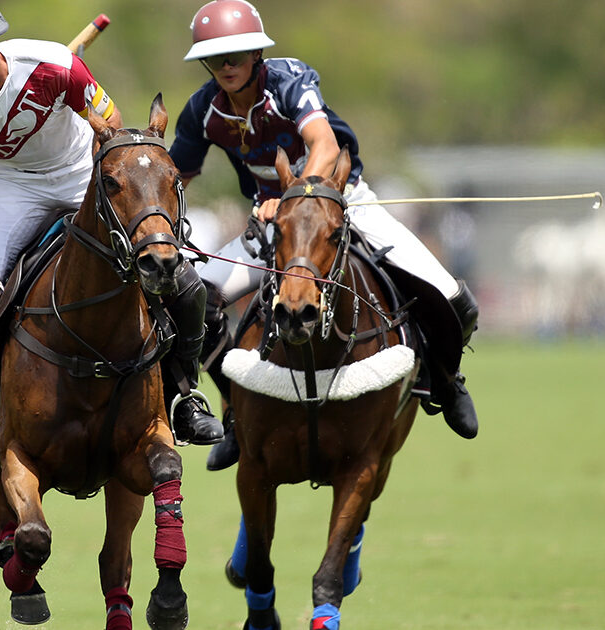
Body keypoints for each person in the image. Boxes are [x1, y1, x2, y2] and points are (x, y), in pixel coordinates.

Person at [168, 0, 480, 471]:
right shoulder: (203, 110)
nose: (226, 67)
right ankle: (234, 413)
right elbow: (175, 179)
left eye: (236, 56)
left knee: (455, 299)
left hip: (343, 202)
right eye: (215, 59)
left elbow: (325, 144)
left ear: (257, 55)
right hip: (273, 224)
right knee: (195, 299)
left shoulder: (289, 81)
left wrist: (293, 198)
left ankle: (445, 378)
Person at [0, 0, 222, 468]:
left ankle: (184, 397)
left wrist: (114, 194)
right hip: (10, 185)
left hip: (83, 173)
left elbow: (112, 128)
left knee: (183, 284)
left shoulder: (53, 66)